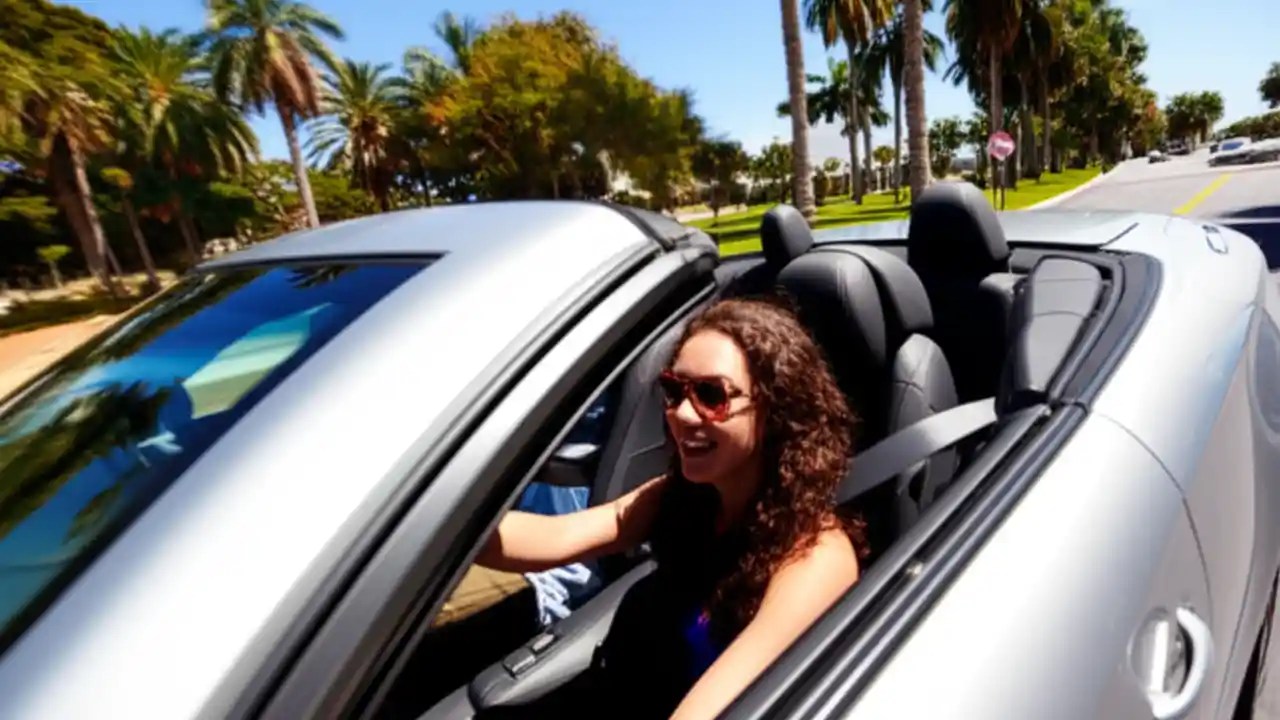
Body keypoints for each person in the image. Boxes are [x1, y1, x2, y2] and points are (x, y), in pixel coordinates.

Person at [477, 297, 867, 720]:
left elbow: (715, 708)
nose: (681, 413)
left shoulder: (815, 555)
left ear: (776, 408)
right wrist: (438, 529)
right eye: (674, 389)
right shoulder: (684, 497)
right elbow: (552, 539)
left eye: (710, 394)